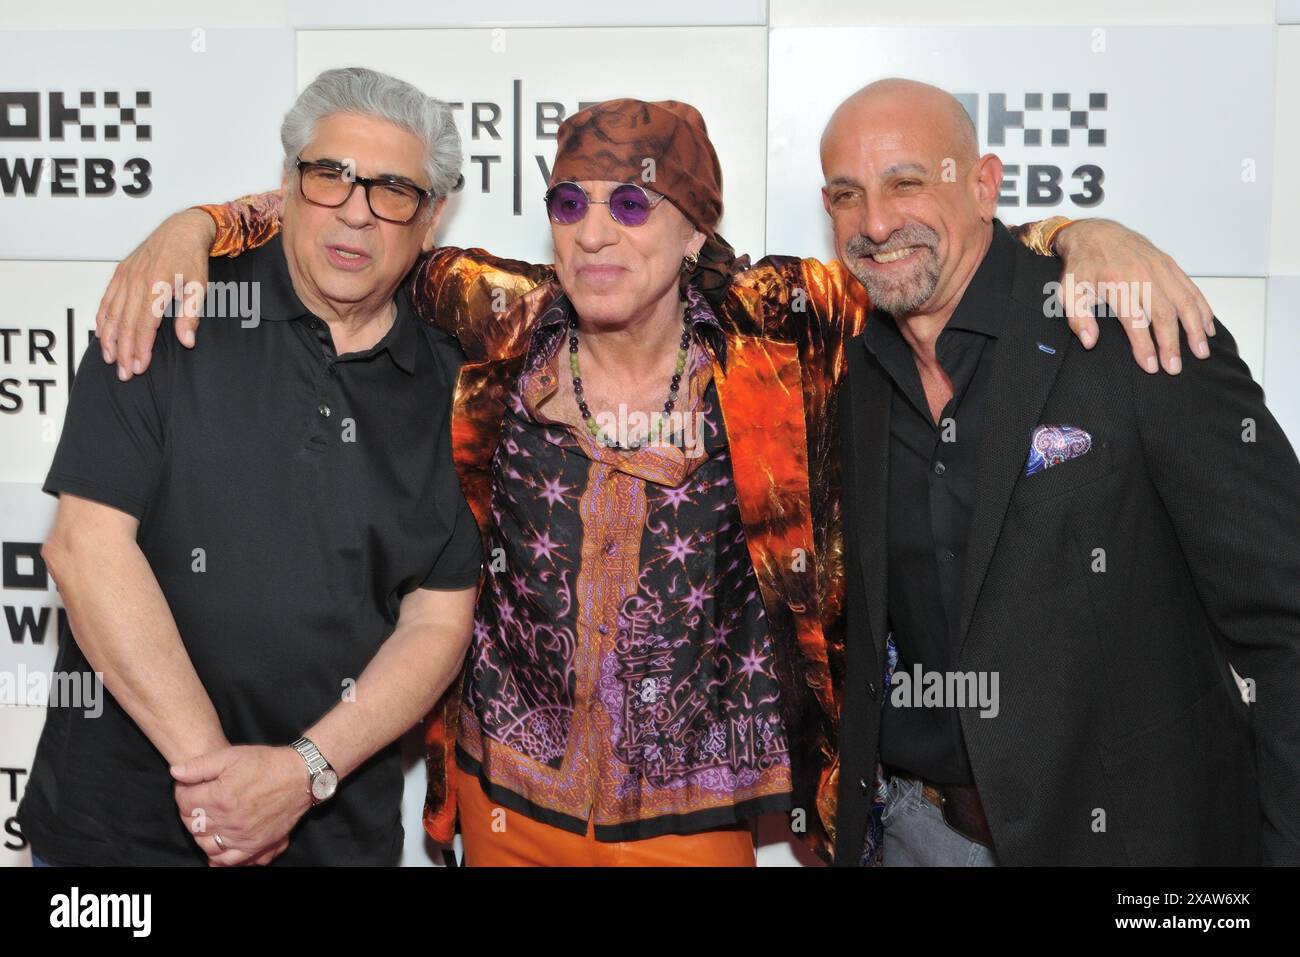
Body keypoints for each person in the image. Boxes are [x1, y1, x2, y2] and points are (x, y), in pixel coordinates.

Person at [92, 94, 1212, 865]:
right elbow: (347, 215)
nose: (593, 233)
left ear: (693, 234)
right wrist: (191, 227)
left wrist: (1083, 232)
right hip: (498, 802)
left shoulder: (785, 324)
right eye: (570, 204)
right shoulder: (499, 308)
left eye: (631, 206)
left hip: (699, 822)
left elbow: (930, 245)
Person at [826, 78, 1300, 866]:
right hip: (919, 836)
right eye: (848, 194)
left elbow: (1287, 619)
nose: (875, 222)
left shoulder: (1133, 327)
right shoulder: (850, 370)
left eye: (908, 182)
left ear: (984, 185)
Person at [17, 67, 481, 866]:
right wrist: (222, 787)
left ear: (431, 217)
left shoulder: (462, 385)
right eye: (329, 175)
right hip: (114, 838)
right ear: (288, 185)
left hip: (334, 838)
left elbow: (438, 621)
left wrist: (301, 774)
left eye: (393, 190)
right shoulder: (168, 305)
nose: (356, 213)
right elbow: (85, 550)